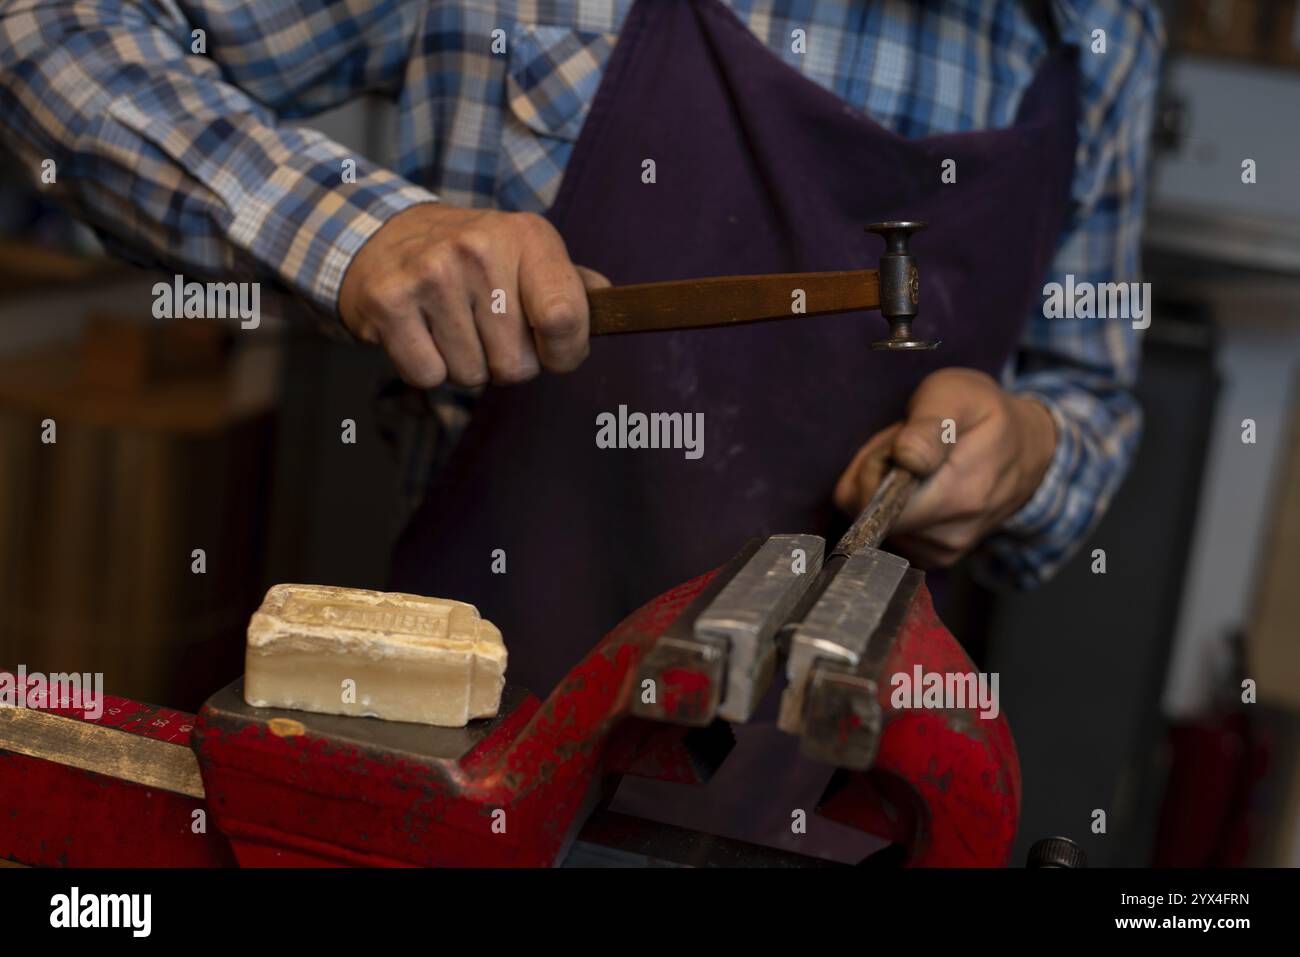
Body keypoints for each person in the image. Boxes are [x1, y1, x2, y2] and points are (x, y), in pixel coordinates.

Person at [0, 0, 1162, 855]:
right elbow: (50, 31)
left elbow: (1091, 389)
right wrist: (350, 233)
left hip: (841, 800)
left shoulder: (1104, 32)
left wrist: (1029, 447)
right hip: (455, 779)